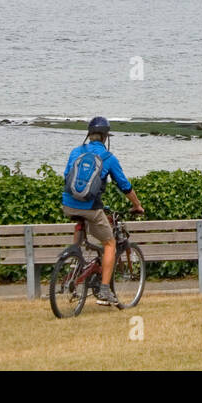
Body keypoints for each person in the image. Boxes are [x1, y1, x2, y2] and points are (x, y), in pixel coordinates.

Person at [62, 116, 144, 305]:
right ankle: (105, 290)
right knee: (109, 243)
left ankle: (76, 259)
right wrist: (137, 205)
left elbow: (67, 176)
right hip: (90, 207)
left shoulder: (76, 152)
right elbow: (124, 185)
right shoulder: (108, 158)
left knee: (83, 218)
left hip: (67, 204)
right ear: (106, 137)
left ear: (89, 135)